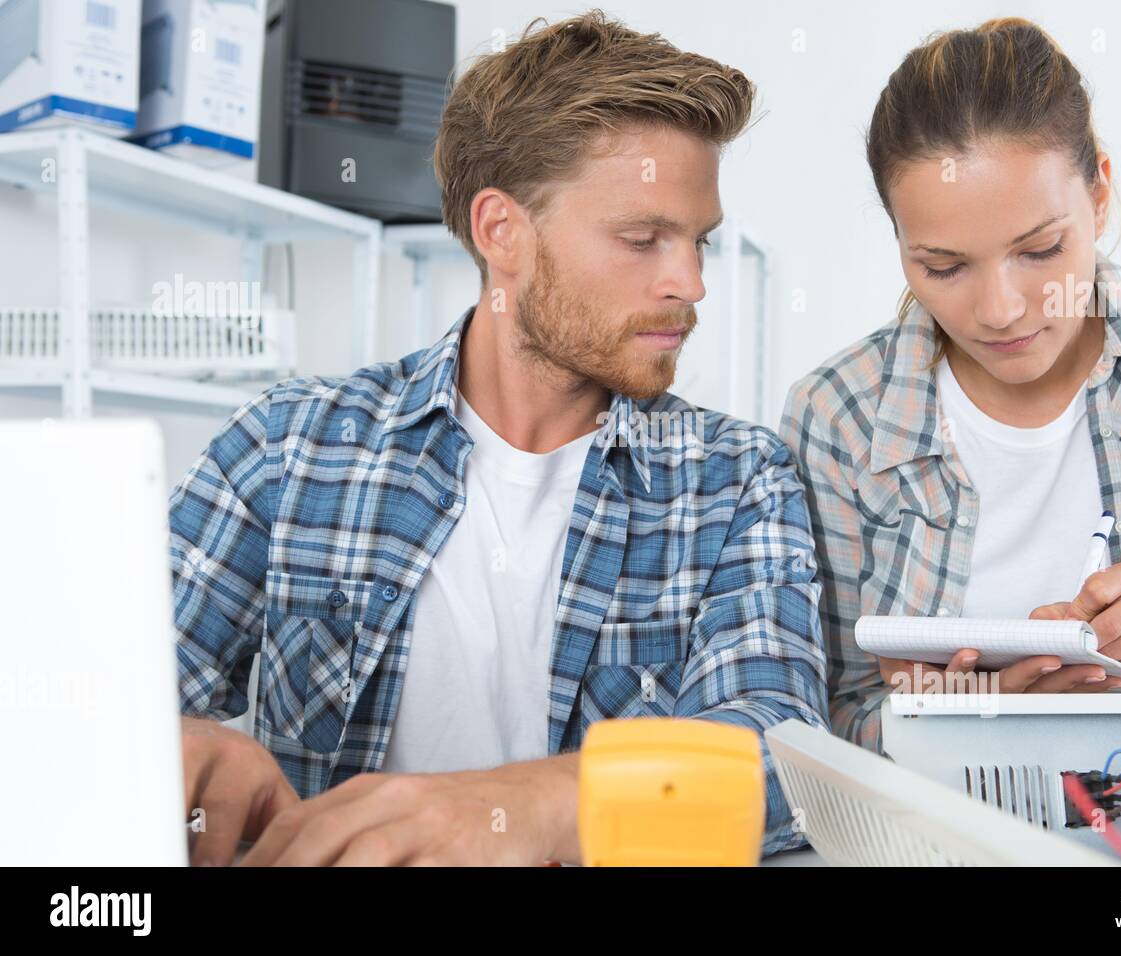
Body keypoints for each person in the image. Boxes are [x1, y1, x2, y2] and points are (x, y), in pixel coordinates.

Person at [173, 11, 827, 865]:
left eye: (697, 241)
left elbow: (780, 754)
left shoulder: (737, 481)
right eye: (643, 239)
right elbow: (88, 692)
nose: (691, 282)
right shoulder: (288, 449)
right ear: (501, 232)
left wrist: (534, 806)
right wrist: (169, 741)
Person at [781, 17, 1121, 753]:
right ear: (898, 241)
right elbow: (822, 718)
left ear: (1099, 197)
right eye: (943, 266)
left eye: (1041, 249)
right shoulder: (837, 416)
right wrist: (968, 710)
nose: (1000, 311)